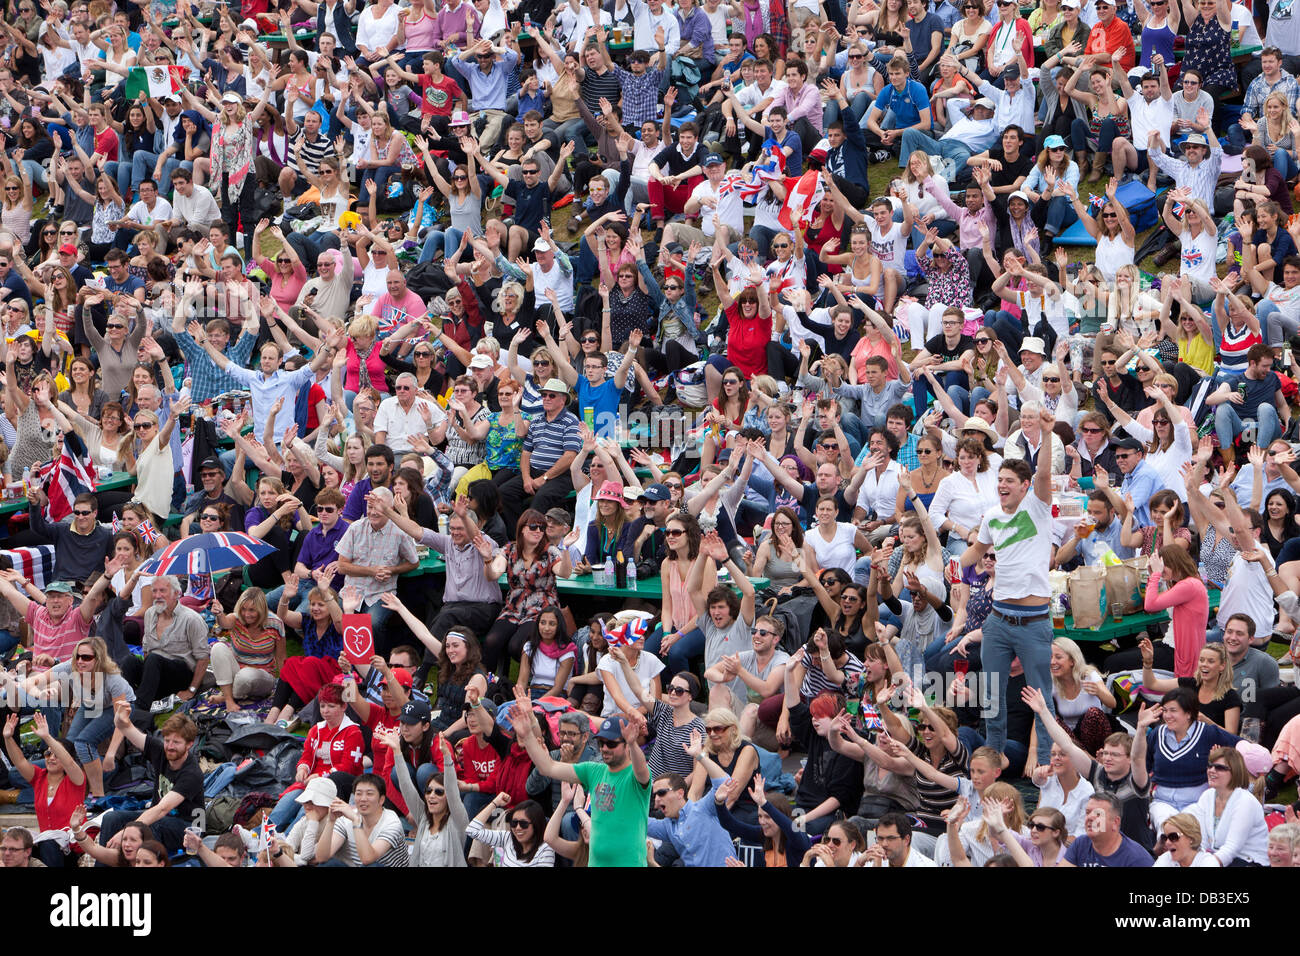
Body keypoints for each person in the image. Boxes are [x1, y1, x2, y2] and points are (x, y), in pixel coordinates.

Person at [957, 415, 1058, 768]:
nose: (1002, 485)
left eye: (1009, 481)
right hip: (998, 621)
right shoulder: (991, 517)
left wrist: (1046, 433)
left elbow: (1044, 475)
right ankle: (994, 758)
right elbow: (975, 551)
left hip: (1032, 622)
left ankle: (1045, 760)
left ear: (1025, 486)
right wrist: (956, 565)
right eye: (999, 480)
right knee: (991, 695)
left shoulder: (1038, 506)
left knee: (1040, 695)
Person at [510, 696, 652, 868]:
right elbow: (548, 767)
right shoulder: (594, 770)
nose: (605, 748)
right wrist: (527, 736)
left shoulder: (635, 775)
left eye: (611, 744)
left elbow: (642, 770)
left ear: (626, 745)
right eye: (601, 743)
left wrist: (633, 744)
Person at [95, 707, 204, 856]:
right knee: (111, 818)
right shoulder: (161, 751)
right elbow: (126, 728)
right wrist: (120, 718)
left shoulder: (192, 773)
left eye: (176, 742)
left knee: (153, 823)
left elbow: (162, 809)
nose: (170, 746)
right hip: (162, 818)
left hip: (190, 827)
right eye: (167, 741)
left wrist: (127, 832)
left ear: (189, 744)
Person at [0, 712, 84, 867]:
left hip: (74, 847)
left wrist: (47, 737)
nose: (51, 757)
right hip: (48, 846)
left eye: (56, 754)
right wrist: (7, 738)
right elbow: (19, 761)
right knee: (19, 846)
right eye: (47, 753)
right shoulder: (39, 777)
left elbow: (70, 764)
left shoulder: (75, 779)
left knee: (47, 843)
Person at [120, 575, 211, 712]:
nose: (157, 595)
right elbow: (146, 649)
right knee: (128, 661)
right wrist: (148, 678)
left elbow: (203, 658)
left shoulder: (191, 619)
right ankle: (127, 701)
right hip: (155, 671)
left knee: (154, 659)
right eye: (154, 591)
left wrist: (191, 690)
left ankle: (139, 709)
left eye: (162, 591)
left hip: (180, 674)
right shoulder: (150, 614)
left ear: (176, 593)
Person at [646, 731, 738, 866]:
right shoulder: (667, 826)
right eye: (655, 796)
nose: (657, 799)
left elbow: (724, 782)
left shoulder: (703, 808)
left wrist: (699, 756)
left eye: (661, 793)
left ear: (679, 793)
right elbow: (637, 819)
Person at [1193, 745, 1270, 866]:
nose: (1211, 770)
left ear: (1234, 772)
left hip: (1249, 861)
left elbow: (1232, 847)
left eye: (1219, 768)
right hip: (1218, 858)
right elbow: (1200, 841)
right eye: (1210, 765)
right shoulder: (1206, 796)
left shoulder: (1245, 802)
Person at [313, 772, 410, 867]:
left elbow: (368, 859)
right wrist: (331, 821)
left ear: (381, 800)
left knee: (372, 866)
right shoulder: (346, 818)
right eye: (358, 794)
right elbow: (321, 858)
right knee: (328, 864)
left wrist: (356, 821)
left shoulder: (391, 822)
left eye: (369, 794)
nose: (363, 799)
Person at [1060, 792, 1155, 866]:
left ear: (1115, 822)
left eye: (1098, 814)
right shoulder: (1080, 844)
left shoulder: (1137, 859)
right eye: (1088, 812)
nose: (1090, 817)